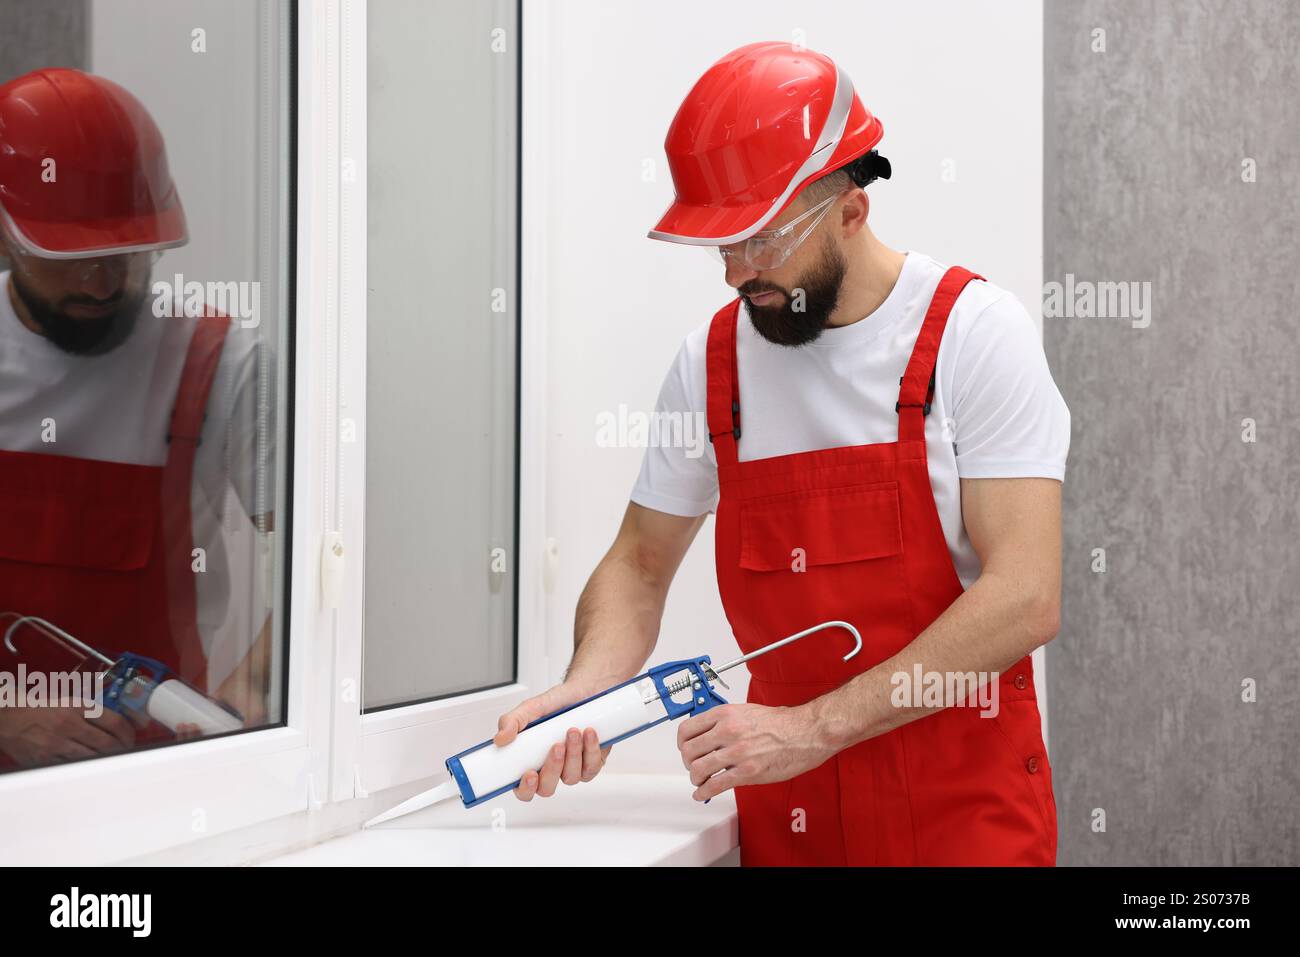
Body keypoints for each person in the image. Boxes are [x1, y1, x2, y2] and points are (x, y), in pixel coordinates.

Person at [502, 40, 1069, 865]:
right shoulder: (712, 363)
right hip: (793, 824)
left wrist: (812, 728)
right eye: (721, 245)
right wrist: (590, 689)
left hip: (965, 820)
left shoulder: (975, 337)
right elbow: (639, 562)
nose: (736, 272)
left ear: (849, 206)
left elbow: (1026, 595)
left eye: (761, 240)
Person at [0, 68, 274, 769]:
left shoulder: (221, 361)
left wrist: (265, 676)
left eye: (125, 250)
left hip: (160, 775)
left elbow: (329, 552)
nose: (102, 282)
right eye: (69, 257)